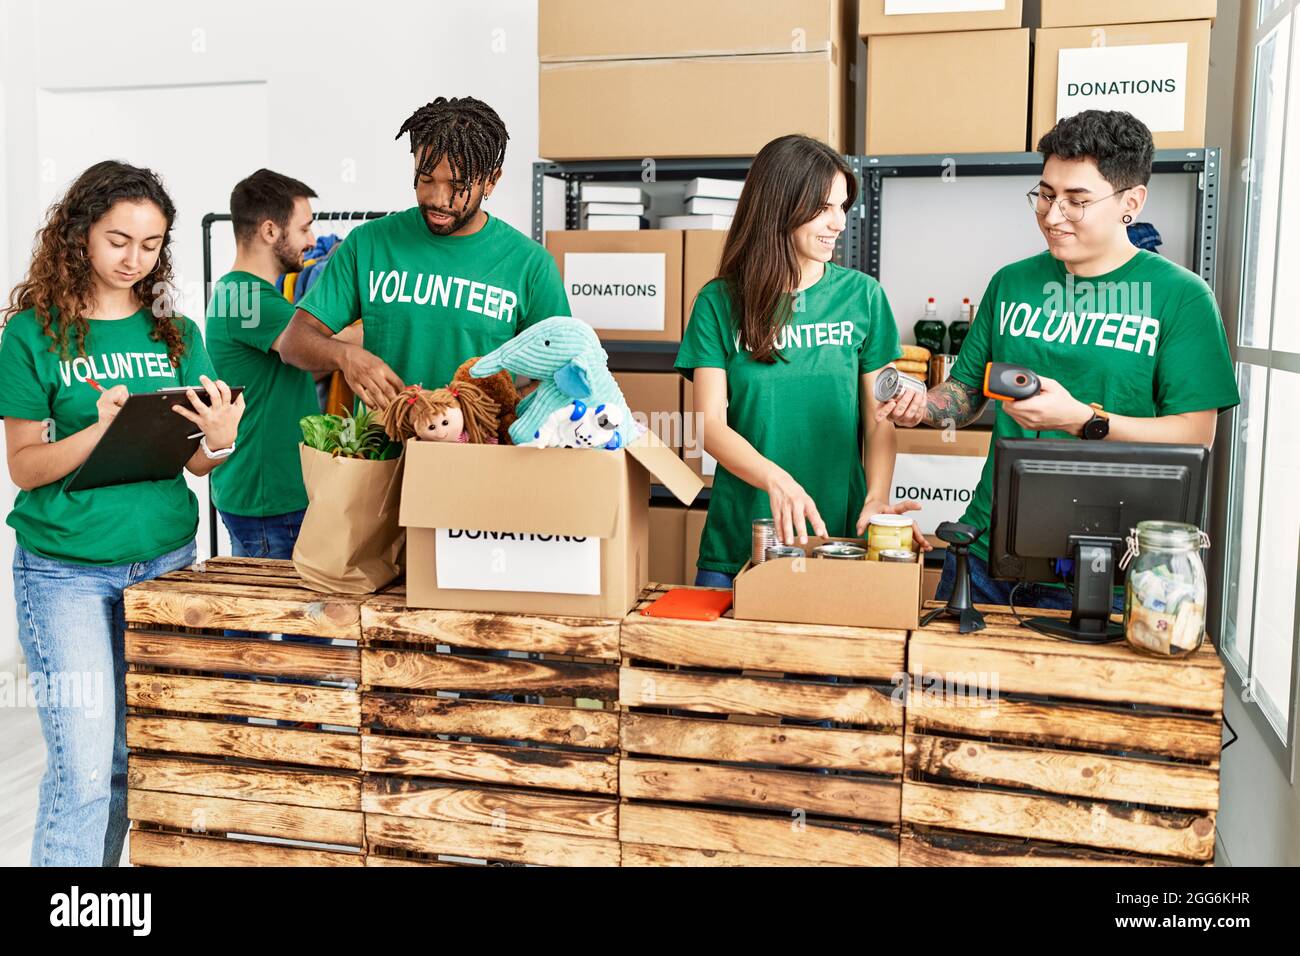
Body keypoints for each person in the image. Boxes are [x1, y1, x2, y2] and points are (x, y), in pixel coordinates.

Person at [877, 110, 1239, 609]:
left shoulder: (1181, 298)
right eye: (1045, 195)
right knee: (948, 687)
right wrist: (923, 405)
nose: (1052, 216)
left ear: (1130, 202)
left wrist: (1084, 420)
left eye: (1077, 201)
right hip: (987, 554)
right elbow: (964, 394)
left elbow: (1195, 434)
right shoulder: (1011, 282)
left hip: (1110, 567)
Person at [0, 160, 243, 865]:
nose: (134, 259)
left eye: (150, 244)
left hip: (164, 565)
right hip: (64, 576)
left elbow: (193, 460)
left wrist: (220, 443)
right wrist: (95, 432)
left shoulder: (176, 333)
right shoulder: (31, 336)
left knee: (129, 765)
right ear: (79, 235)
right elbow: (25, 467)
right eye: (118, 240)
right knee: (80, 773)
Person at [675, 134, 928, 591]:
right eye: (823, 208)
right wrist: (777, 480)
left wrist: (875, 500)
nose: (839, 223)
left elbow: (878, 420)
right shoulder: (719, 302)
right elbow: (709, 426)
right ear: (779, 206)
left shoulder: (863, 297)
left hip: (838, 541)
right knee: (722, 663)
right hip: (740, 543)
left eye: (842, 207)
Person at [278, 95, 570, 408]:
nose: (437, 199)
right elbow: (293, 342)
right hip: (383, 451)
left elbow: (563, 371)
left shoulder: (530, 265)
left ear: (491, 181)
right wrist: (346, 355)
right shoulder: (369, 244)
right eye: (426, 178)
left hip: (480, 453)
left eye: (457, 185)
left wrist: (505, 412)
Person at [206, 169, 323, 559]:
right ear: (270, 231)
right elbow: (326, 346)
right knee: (265, 617)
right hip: (269, 498)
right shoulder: (248, 299)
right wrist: (384, 323)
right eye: (304, 228)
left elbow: (307, 364)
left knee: (258, 614)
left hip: (264, 494)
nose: (311, 241)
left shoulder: (245, 294)